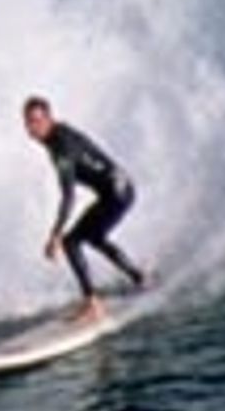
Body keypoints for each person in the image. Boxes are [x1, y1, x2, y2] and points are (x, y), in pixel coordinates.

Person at [21, 96, 148, 318]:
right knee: (94, 237)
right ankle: (138, 277)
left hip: (117, 193)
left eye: (37, 121)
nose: (32, 128)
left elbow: (69, 196)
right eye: (28, 122)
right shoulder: (57, 135)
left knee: (70, 242)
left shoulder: (61, 147)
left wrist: (55, 235)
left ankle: (93, 303)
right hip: (118, 189)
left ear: (49, 119)